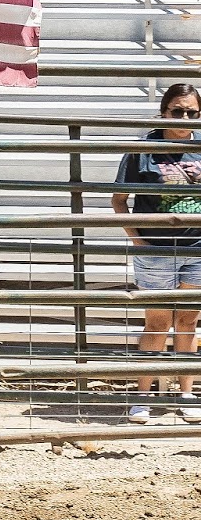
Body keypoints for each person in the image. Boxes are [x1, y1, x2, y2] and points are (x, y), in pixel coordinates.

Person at [112, 82, 201, 425]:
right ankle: (142, 395)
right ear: (163, 113)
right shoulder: (142, 150)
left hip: (197, 250)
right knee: (157, 322)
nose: (185, 118)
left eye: (192, 112)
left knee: (188, 323)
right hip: (156, 251)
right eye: (177, 111)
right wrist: (137, 240)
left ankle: (186, 394)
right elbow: (118, 201)